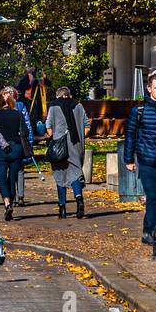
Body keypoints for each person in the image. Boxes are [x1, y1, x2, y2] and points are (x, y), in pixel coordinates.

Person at [124, 70, 156, 244]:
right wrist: (128, 160)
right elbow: (130, 135)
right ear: (149, 88)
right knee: (152, 197)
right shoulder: (139, 111)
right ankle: (148, 231)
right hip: (147, 160)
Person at [44, 85, 88, 218]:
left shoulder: (53, 107)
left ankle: (62, 209)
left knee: (60, 176)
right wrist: (79, 138)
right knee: (76, 173)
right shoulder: (78, 106)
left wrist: (52, 137)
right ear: (69, 95)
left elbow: (49, 127)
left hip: (59, 146)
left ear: (57, 96)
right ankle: (79, 199)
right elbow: (87, 126)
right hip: (76, 145)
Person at [0, 86, 27, 221]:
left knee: (1, 177)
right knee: (12, 177)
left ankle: (7, 203)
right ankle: (12, 202)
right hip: (16, 148)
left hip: (2, 149)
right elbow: (25, 132)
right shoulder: (18, 114)